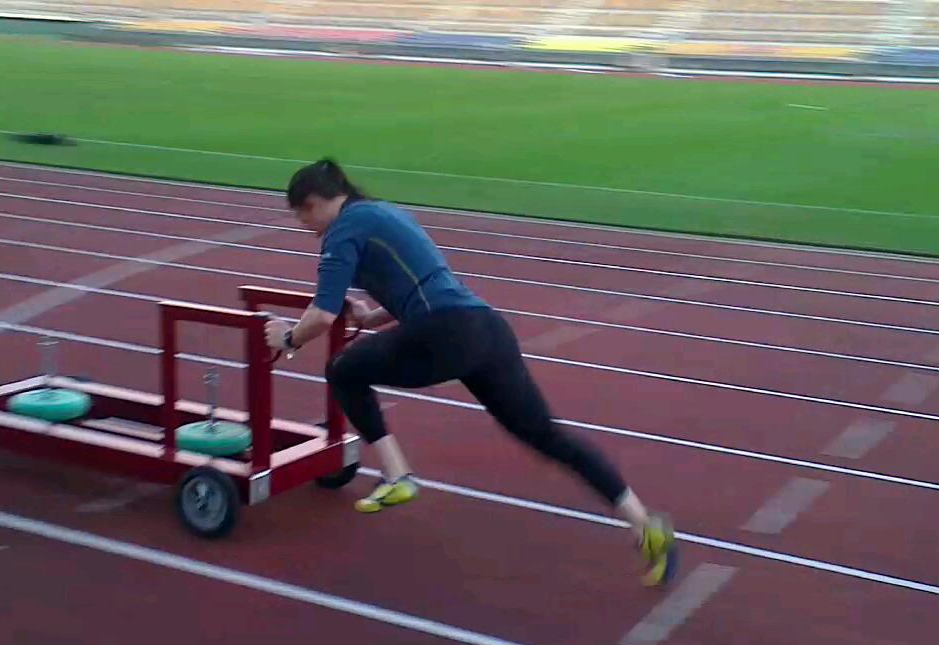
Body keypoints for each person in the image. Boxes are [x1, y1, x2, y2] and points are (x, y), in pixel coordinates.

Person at [265, 158, 677, 587]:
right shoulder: (385, 213)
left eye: (301, 213)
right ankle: (643, 523)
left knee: (344, 370)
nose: (302, 224)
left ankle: (397, 475)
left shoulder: (342, 231)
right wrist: (371, 321)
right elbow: (429, 285)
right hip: (485, 330)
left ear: (315, 203)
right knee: (545, 434)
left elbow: (323, 314)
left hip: (444, 335)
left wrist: (289, 339)